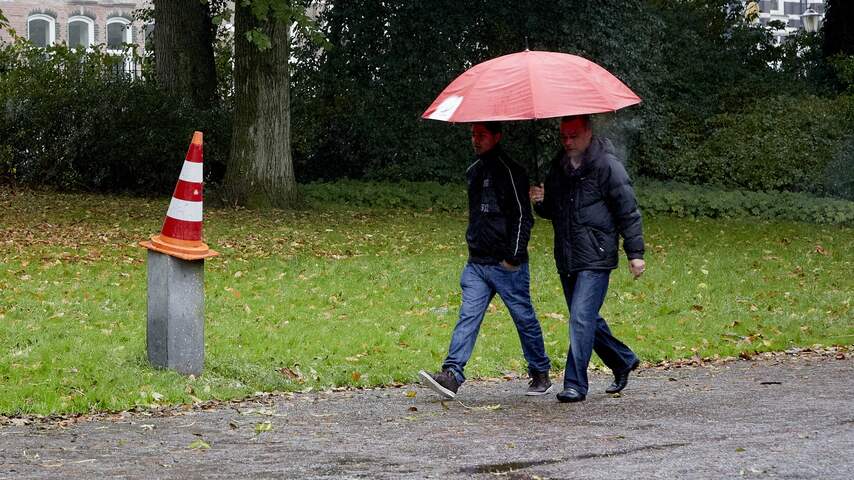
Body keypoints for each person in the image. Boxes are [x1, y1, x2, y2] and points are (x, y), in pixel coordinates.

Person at [419, 121, 553, 399]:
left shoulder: (512, 172)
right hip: (477, 264)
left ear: (496, 136)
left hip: (507, 265)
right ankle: (452, 375)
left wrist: (513, 257)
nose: (475, 140)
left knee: (523, 318)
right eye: (473, 135)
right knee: (467, 316)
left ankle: (540, 372)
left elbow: (522, 218)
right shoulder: (474, 172)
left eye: (481, 135)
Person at [529, 115, 645, 403]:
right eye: (564, 136)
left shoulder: (607, 166)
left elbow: (627, 210)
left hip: (597, 254)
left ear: (588, 133)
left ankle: (575, 384)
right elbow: (555, 209)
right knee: (586, 319)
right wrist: (540, 202)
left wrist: (635, 253)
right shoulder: (559, 167)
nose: (568, 142)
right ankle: (622, 360)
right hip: (568, 256)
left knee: (580, 319)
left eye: (573, 136)